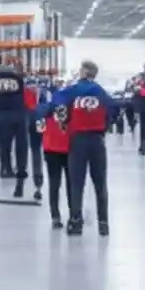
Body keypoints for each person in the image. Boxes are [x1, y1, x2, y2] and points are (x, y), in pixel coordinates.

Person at [54, 60, 115, 236]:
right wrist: (103, 127)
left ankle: (76, 222)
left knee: (76, 183)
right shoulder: (101, 92)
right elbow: (112, 110)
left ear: (84, 72)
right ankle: (103, 224)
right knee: (100, 183)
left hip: (78, 140)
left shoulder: (73, 90)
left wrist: (66, 122)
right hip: (97, 141)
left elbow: (58, 103)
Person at [0, 60, 30, 196]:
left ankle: (5, 169)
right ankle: (21, 169)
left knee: (4, 144)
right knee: (21, 145)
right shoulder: (18, 79)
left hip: (2, 115)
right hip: (19, 114)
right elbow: (25, 94)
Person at [39, 81, 71, 229]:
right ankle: (74, 214)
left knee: (54, 184)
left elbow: (39, 129)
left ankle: (55, 216)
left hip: (51, 149)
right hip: (69, 149)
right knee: (72, 185)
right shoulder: (72, 110)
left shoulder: (44, 110)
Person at [25, 77, 45, 201]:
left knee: (34, 150)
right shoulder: (43, 94)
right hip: (38, 122)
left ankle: (37, 182)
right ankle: (38, 182)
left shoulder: (24, 94)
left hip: (31, 122)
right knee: (36, 151)